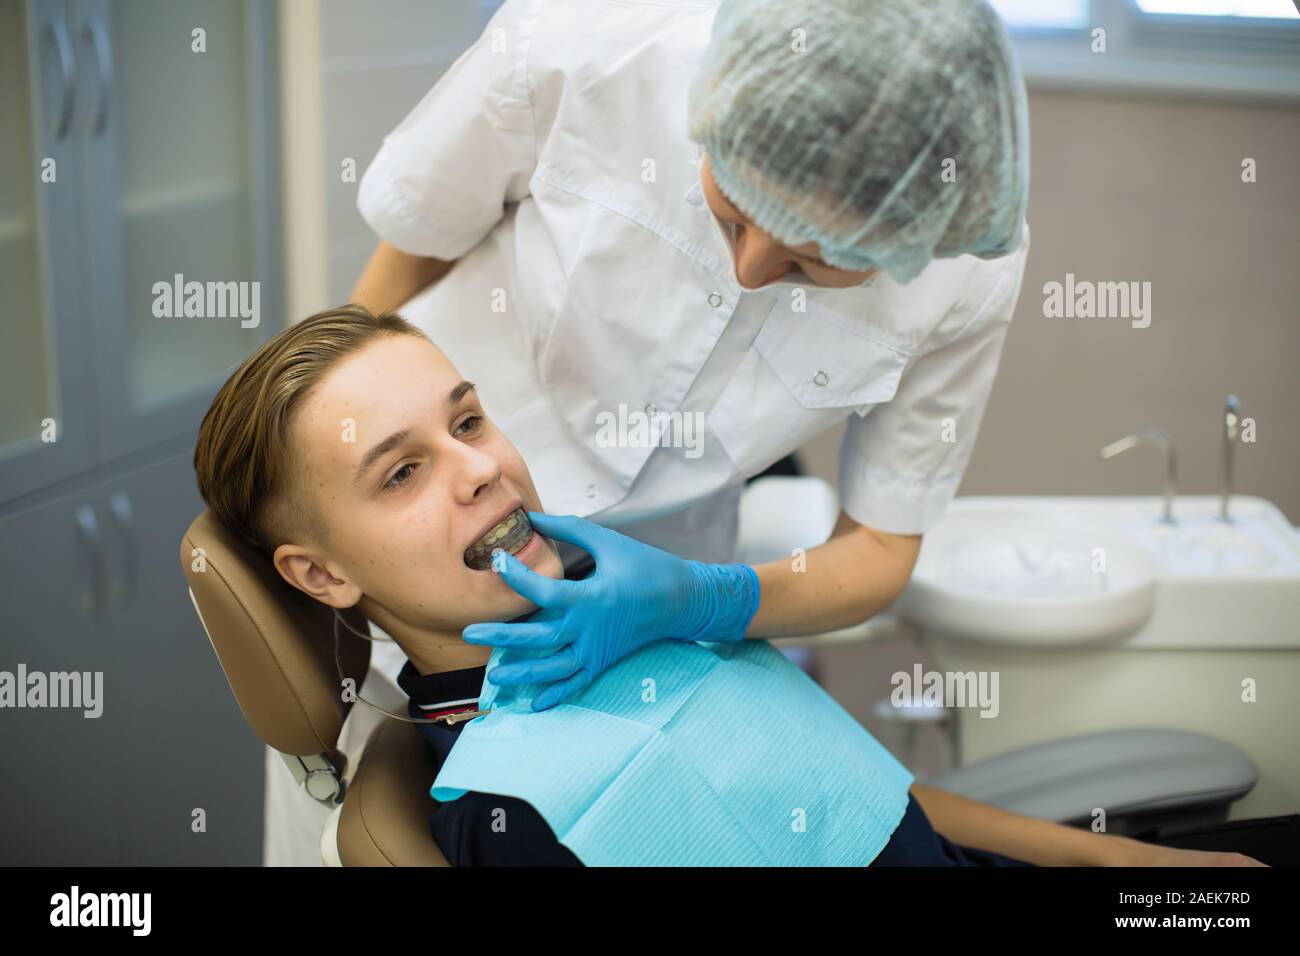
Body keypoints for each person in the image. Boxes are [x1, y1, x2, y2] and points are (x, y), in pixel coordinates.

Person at [191, 305, 1272, 866]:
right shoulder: (515, 808)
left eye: (467, 419)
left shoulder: (623, 629)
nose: (480, 465)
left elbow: (849, 802)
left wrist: (1112, 857)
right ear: (322, 572)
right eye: (403, 470)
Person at [349, 0, 1034, 710]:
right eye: (730, 212)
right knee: (358, 782)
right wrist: (314, 486)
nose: (750, 269)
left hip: (646, 634)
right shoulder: (577, 47)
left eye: (811, 262)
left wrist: (698, 601)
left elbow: (881, 548)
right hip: (401, 564)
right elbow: (408, 252)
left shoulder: (961, 269)